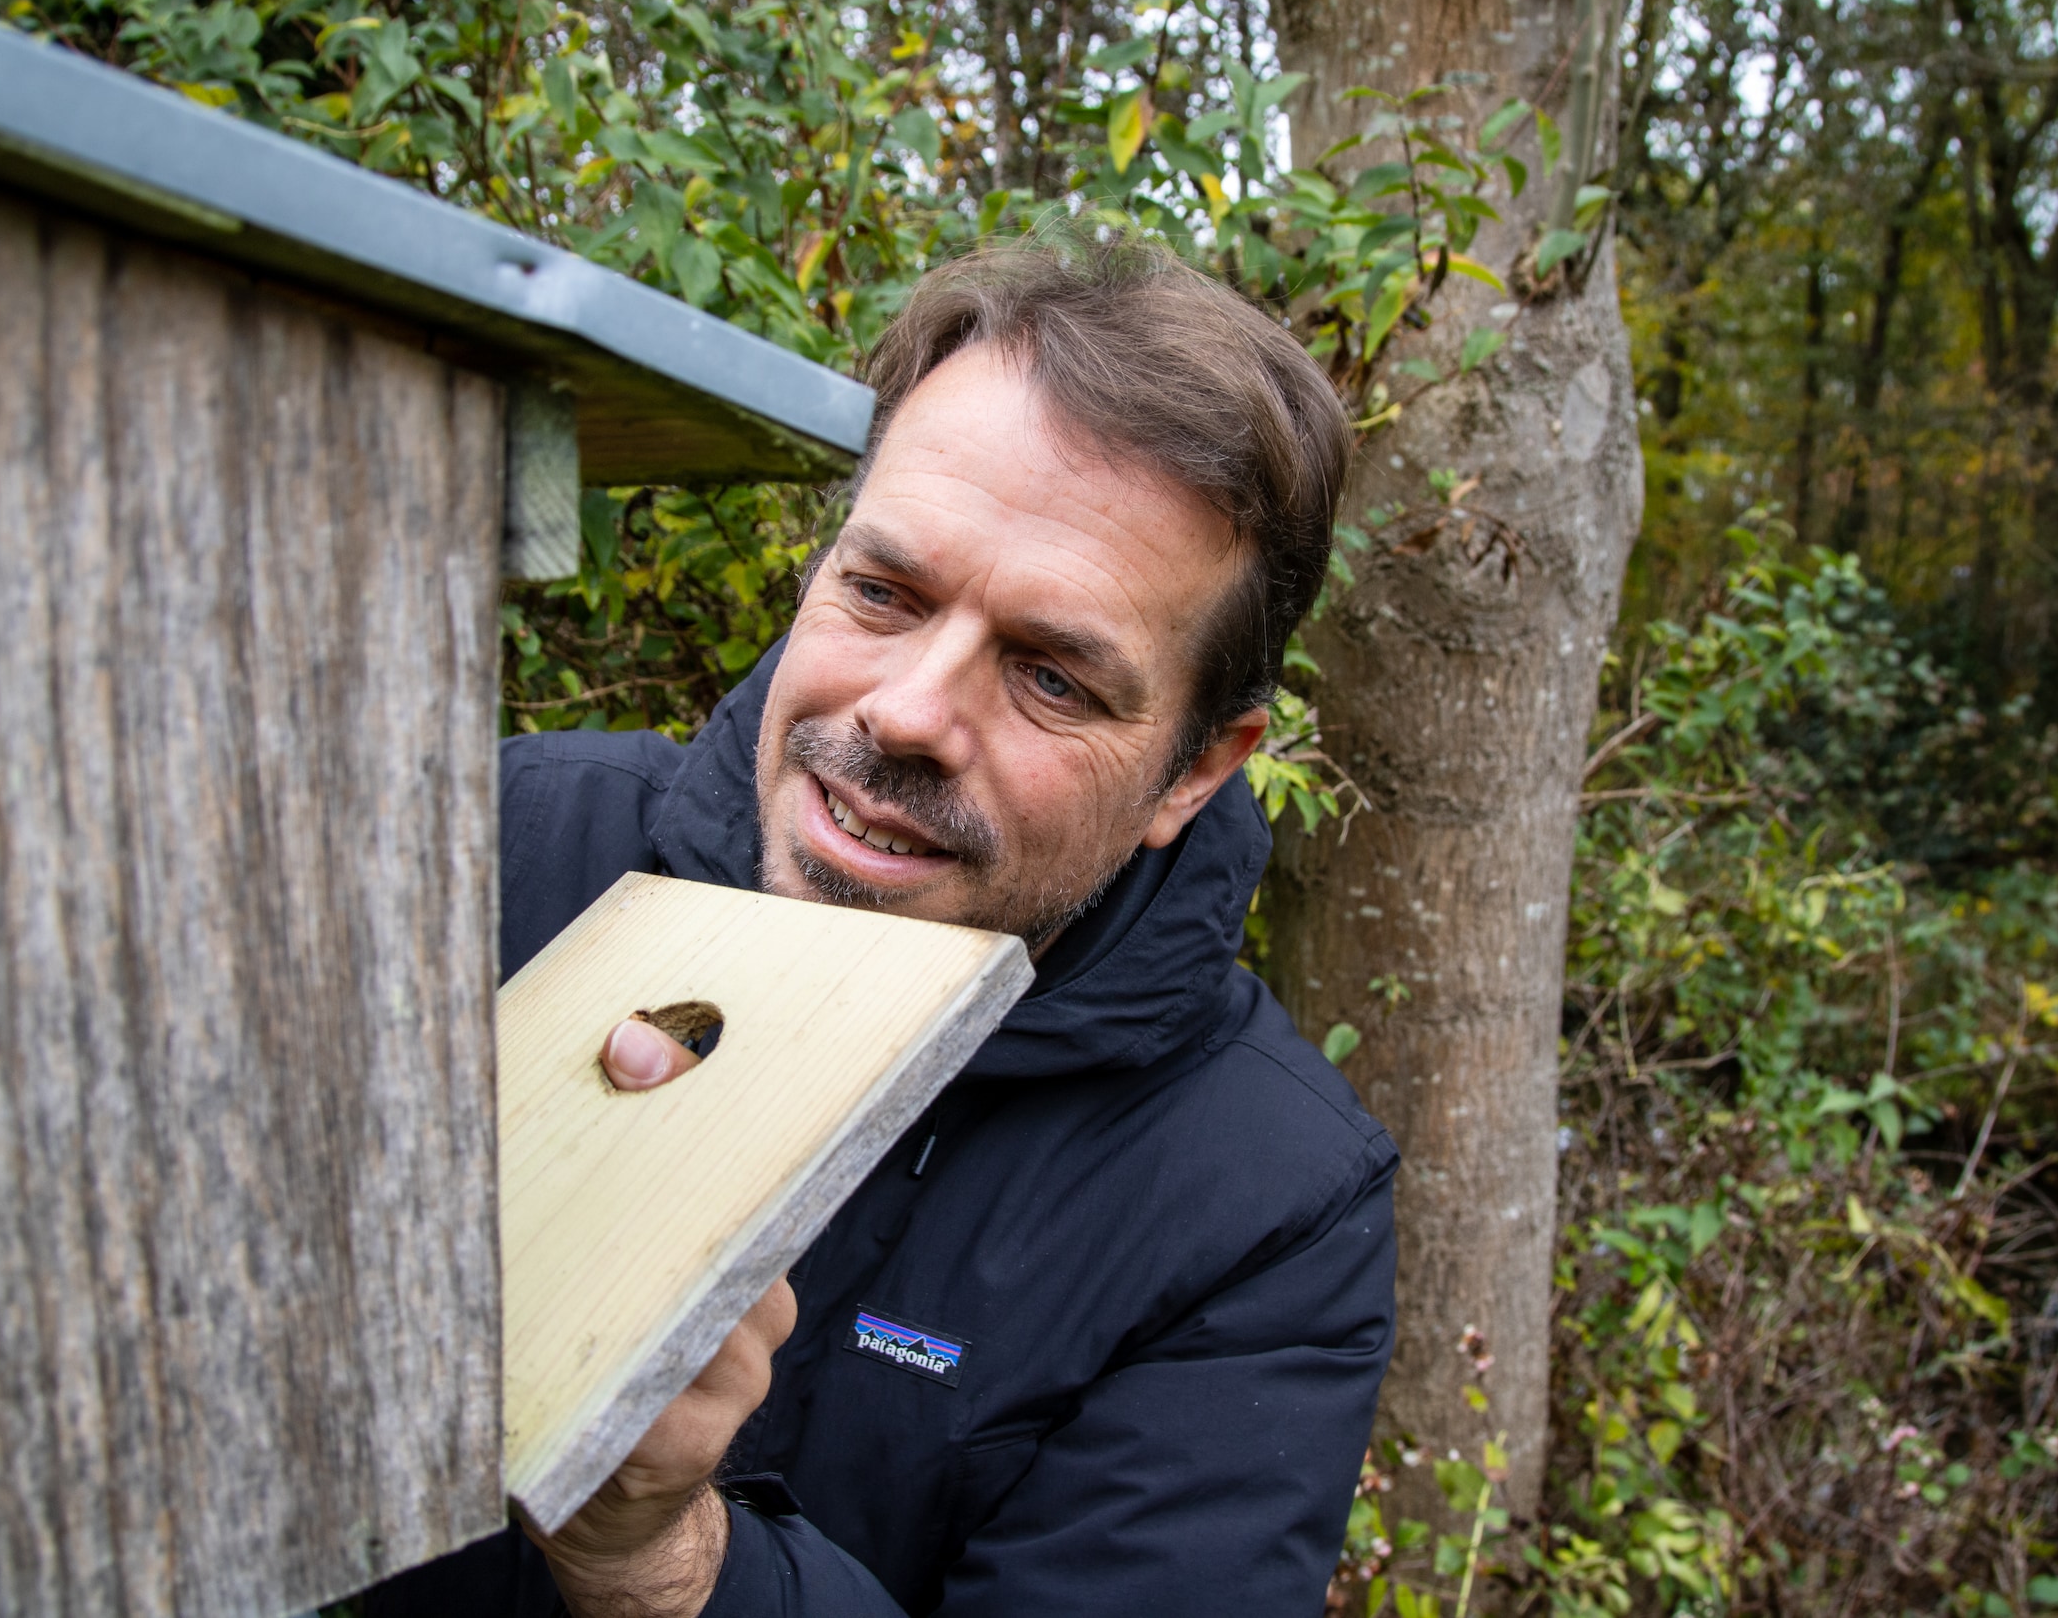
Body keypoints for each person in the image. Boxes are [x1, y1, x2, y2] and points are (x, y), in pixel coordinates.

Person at [365, 235, 1398, 1618]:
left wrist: (665, 1560)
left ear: (1199, 767)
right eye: (884, 591)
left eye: (1049, 675)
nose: (907, 710)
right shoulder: (503, 847)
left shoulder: (1264, 1204)